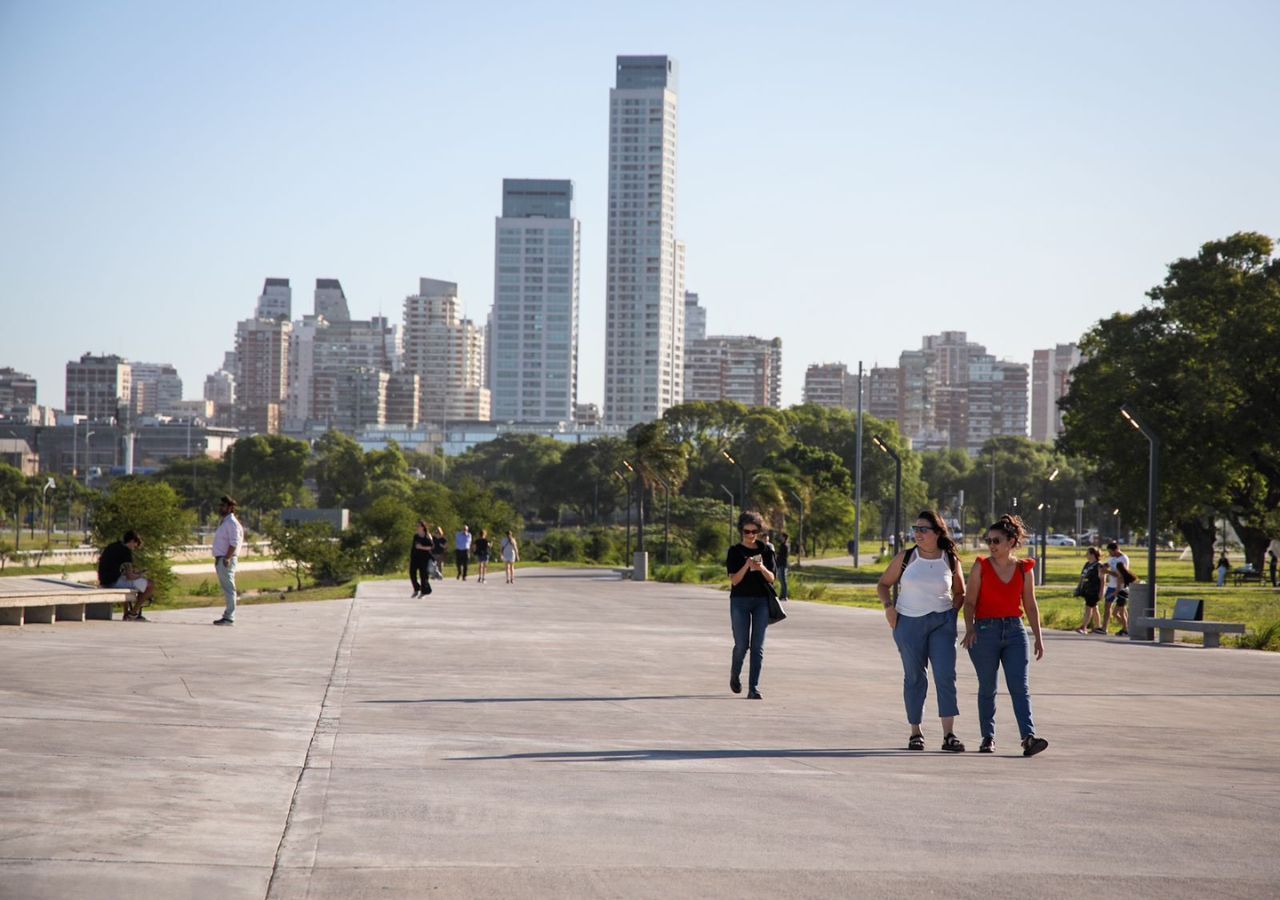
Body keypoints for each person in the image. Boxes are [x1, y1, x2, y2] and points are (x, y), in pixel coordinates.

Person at [877, 511, 966, 752]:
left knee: (945, 675)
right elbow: (883, 584)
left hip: (941, 623)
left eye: (924, 529)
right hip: (908, 624)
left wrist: (952, 613)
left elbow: (960, 592)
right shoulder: (907, 557)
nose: (918, 533)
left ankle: (949, 734)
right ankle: (916, 732)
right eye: (915, 529)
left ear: (937, 533)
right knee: (915, 678)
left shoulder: (950, 559)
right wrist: (888, 607)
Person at [961, 514, 1049, 757]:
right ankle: (987, 737)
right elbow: (969, 602)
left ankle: (1028, 737)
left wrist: (1038, 637)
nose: (991, 545)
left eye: (996, 540)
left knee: (1019, 686)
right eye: (988, 540)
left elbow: (1030, 605)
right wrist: (970, 628)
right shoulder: (981, 566)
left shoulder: (1024, 569)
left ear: (1011, 542)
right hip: (984, 632)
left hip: (1014, 632)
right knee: (988, 687)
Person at [726, 510, 776, 700]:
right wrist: (747, 565)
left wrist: (761, 567)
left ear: (759, 531)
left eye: (754, 531)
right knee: (741, 645)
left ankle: (753, 688)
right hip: (740, 601)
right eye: (747, 531)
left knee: (758, 647)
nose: (750, 535)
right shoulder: (734, 551)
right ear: (741, 531)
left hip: (761, 601)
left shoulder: (766, 550)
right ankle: (735, 674)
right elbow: (734, 581)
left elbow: (772, 578)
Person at [96, 529, 153, 621]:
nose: (134, 548)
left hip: (104, 580)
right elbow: (130, 577)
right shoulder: (126, 552)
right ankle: (133, 613)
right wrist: (141, 575)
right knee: (150, 585)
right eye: (135, 545)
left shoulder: (113, 546)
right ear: (132, 541)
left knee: (127, 582)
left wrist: (132, 575)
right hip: (113, 582)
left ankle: (126, 613)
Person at [211, 495, 243, 626]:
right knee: (227, 588)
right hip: (221, 559)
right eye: (220, 506)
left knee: (229, 589)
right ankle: (228, 615)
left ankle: (229, 617)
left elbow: (234, 543)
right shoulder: (225, 522)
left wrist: (227, 558)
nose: (221, 508)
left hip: (226, 559)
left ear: (230, 508)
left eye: (223, 506)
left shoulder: (232, 523)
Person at [1100, 541, 1131, 635]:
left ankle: (1127, 628)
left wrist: (1107, 572)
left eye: (1111, 552)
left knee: (1121, 610)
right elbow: (1108, 564)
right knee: (1107, 607)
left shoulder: (1123, 559)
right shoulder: (1112, 558)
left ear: (1116, 550)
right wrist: (1104, 566)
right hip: (1111, 585)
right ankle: (1104, 628)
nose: (1110, 554)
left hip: (1120, 587)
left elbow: (1121, 575)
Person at [1074, 547, 1106, 634]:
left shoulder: (1099, 565)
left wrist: (1101, 592)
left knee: (1088, 608)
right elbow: (1082, 576)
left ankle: (1084, 627)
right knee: (1094, 608)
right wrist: (1079, 587)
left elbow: (1103, 580)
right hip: (1087, 589)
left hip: (1094, 590)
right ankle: (1098, 627)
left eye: (1087, 553)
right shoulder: (1087, 564)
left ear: (1093, 554)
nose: (1086, 555)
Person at [409, 521, 433, 598]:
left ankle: (424, 592)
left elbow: (431, 547)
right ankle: (416, 588)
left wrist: (421, 547)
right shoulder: (415, 536)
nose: (417, 527)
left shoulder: (428, 536)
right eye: (417, 526)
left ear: (423, 527)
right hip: (415, 558)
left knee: (423, 576)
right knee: (412, 573)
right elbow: (413, 547)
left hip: (424, 558)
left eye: (418, 526)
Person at [774, 532, 791, 600]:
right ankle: (782, 595)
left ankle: (785, 595)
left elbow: (783, 556)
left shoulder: (785, 545)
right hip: (780, 564)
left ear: (784, 537)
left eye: (782, 536)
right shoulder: (782, 545)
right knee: (781, 580)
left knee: (783, 580)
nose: (781, 538)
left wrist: (777, 556)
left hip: (783, 565)